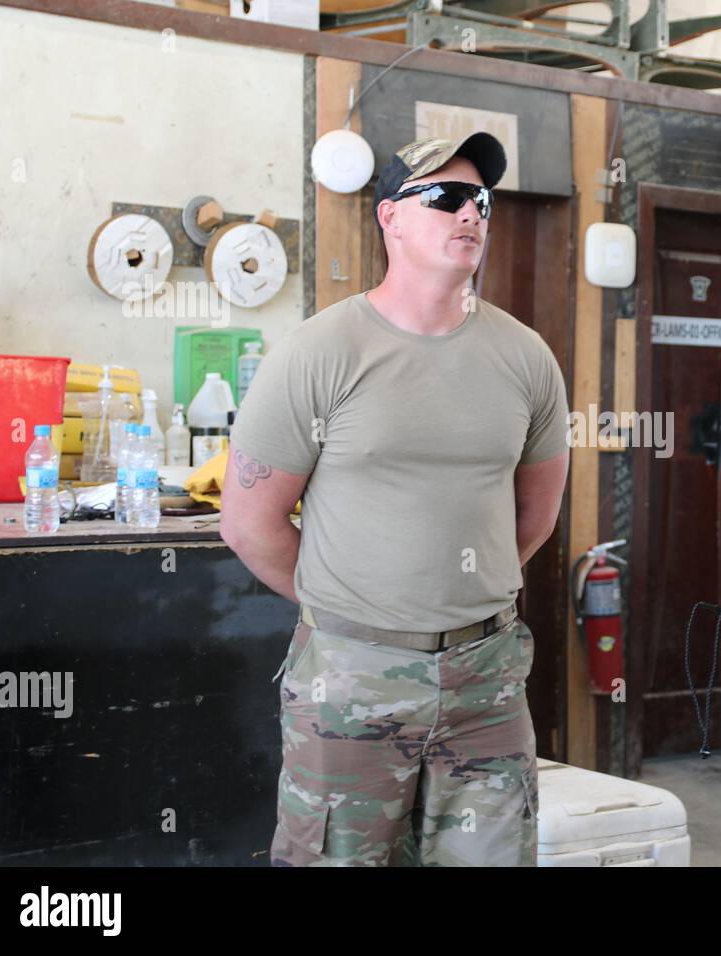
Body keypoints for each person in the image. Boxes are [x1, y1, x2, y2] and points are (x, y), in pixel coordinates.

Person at [221, 133, 570, 866]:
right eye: (445, 196)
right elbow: (251, 524)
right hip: (352, 675)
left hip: (486, 679)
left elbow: (534, 517)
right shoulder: (320, 352)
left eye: (481, 201)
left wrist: (457, 595)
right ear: (391, 217)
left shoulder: (525, 357)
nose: (470, 213)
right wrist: (358, 607)